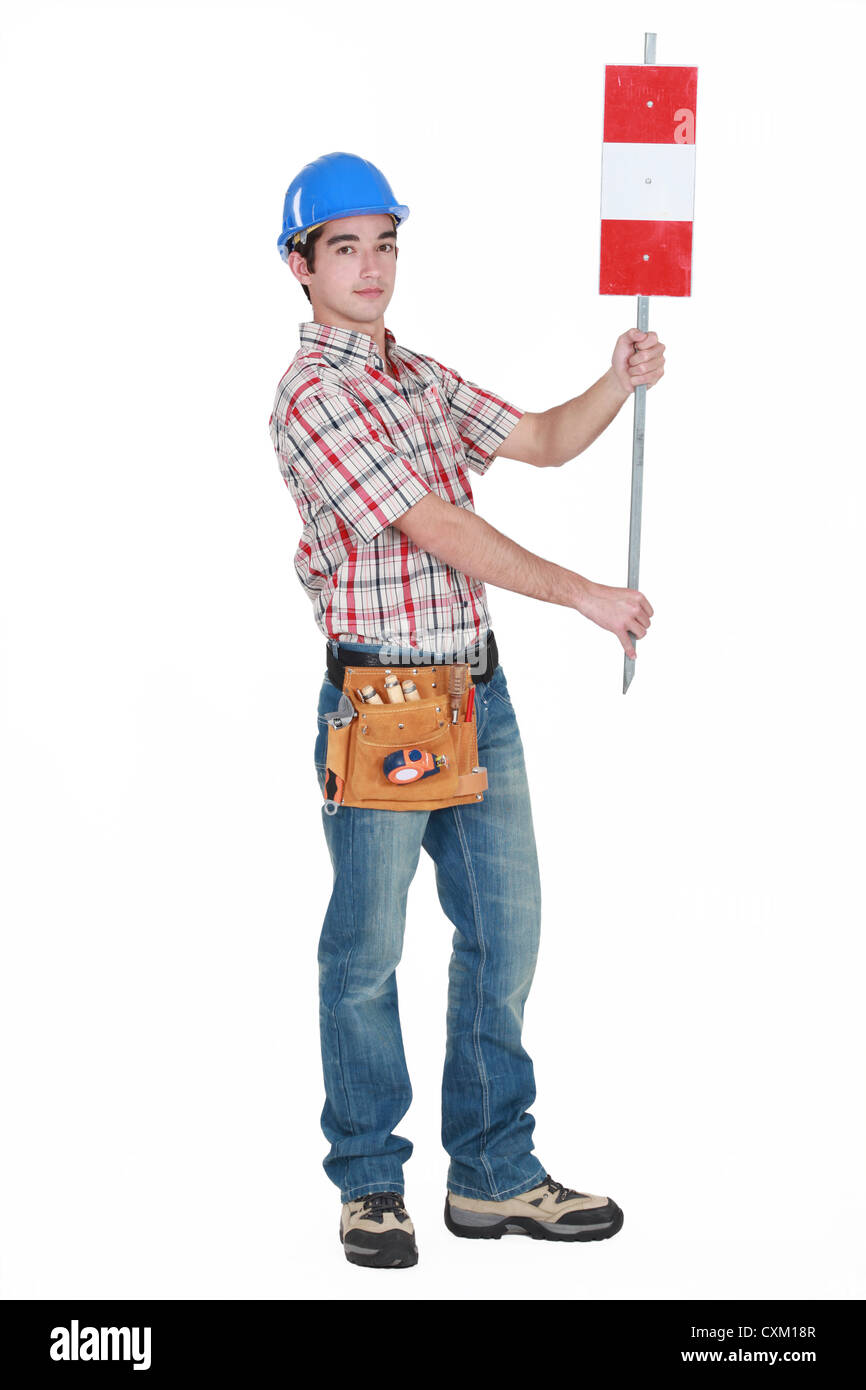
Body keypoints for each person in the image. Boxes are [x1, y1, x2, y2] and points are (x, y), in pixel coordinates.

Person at [268, 152, 664, 1269]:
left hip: (472, 692)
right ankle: (369, 1183)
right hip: (384, 699)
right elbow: (433, 522)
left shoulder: (412, 373)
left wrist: (614, 379)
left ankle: (491, 1174)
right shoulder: (313, 396)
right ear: (300, 266)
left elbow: (536, 436)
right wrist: (580, 592)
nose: (371, 266)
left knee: (503, 934)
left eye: (383, 243)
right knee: (366, 947)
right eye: (344, 247)